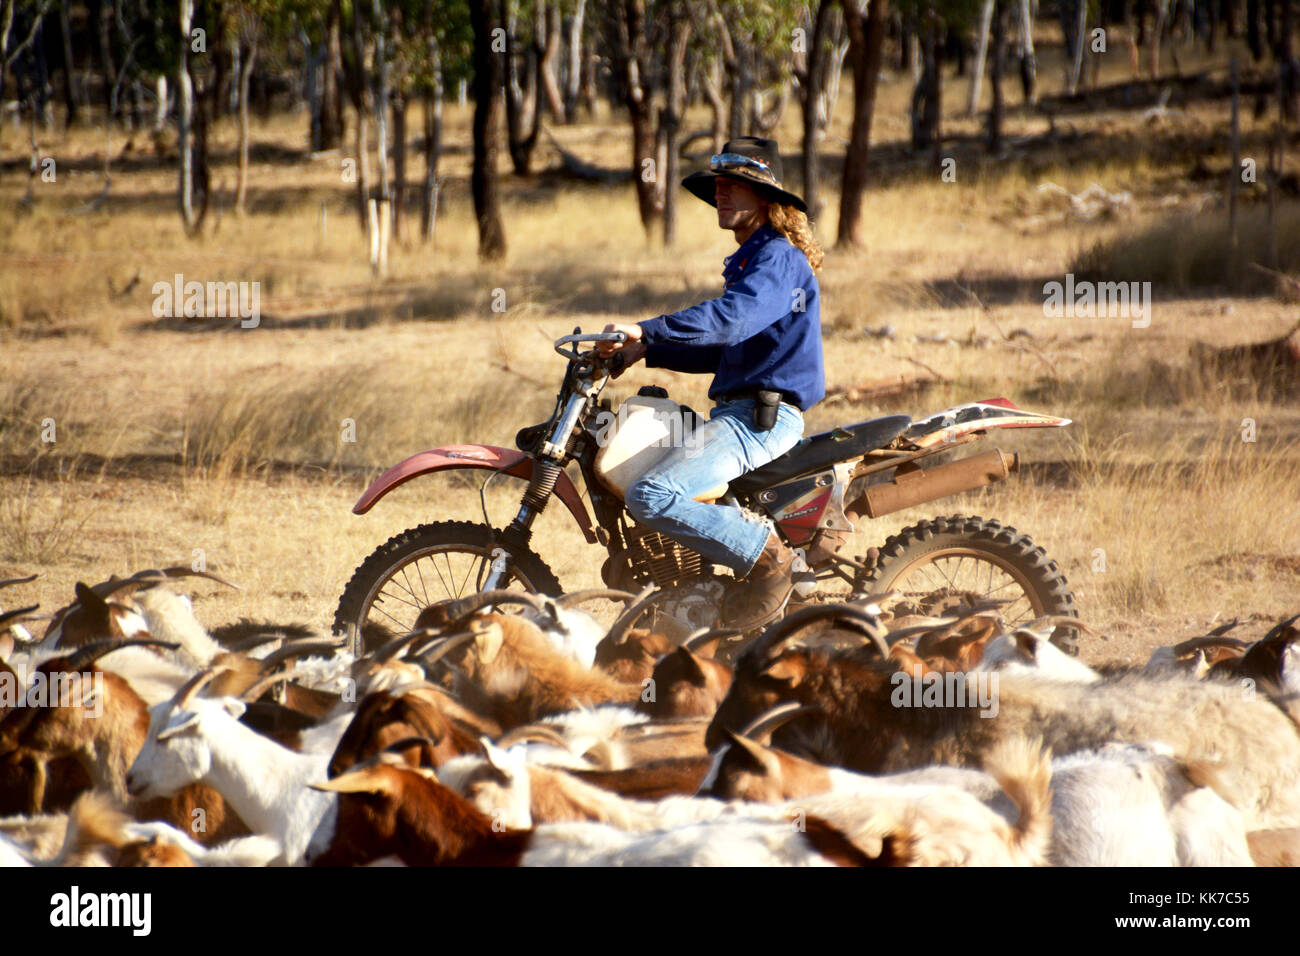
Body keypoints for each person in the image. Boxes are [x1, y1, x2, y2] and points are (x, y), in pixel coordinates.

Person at [597, 136, 826, 630]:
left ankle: (770, 559)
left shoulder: (778, 259)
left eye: (735, 186)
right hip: (741, 412)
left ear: (765, 198)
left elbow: (731, 320)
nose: (721, 194)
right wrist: (647, 349)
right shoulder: (752, 259)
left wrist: (647, 327)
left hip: (761, 418)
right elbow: (727, 347)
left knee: (652, 494)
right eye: (718, 186)